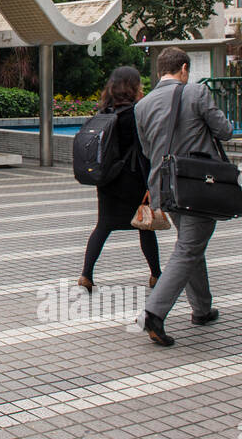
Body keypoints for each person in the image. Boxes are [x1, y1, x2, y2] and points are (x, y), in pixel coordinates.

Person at [133, 47, 233, 346]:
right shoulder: (197, 93)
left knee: (191, 244)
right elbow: (225, 131)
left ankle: (202, 308)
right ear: (184, 69)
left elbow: (148, 150)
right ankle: (154, 312)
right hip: (197, 184)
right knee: (189, 247)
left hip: (165, 186)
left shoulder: (143, 104)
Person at [78, 66, 161, 294]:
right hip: (133, 180)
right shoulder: (135, 114)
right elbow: (144, 151)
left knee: (103, 226)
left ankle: (86, 274)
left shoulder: (104, 113)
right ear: (133, 87)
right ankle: (156, 274)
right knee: (145, 227)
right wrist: (150, 184)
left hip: (107, 180)